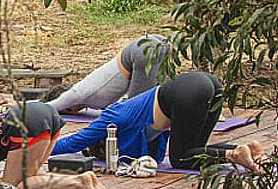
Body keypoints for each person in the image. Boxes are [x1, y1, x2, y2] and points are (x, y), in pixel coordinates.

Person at [50, 71, 266, 171]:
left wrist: (36, 148)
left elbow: (74, 142)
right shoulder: (137, 130)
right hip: (204, 84)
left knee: (180, 159)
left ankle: (233, 155)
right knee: (196, 153)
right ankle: (249, 149)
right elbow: (156, 157)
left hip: (188, 92)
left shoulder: (110, 118)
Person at [44, 34, 171, 114]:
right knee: (157, 101)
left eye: (68, 109)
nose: (74, 110)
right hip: (152, 44)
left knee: (137, 113)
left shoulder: (78, 92)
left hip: (142, 50)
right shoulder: (90, 102)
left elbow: (49, 107)